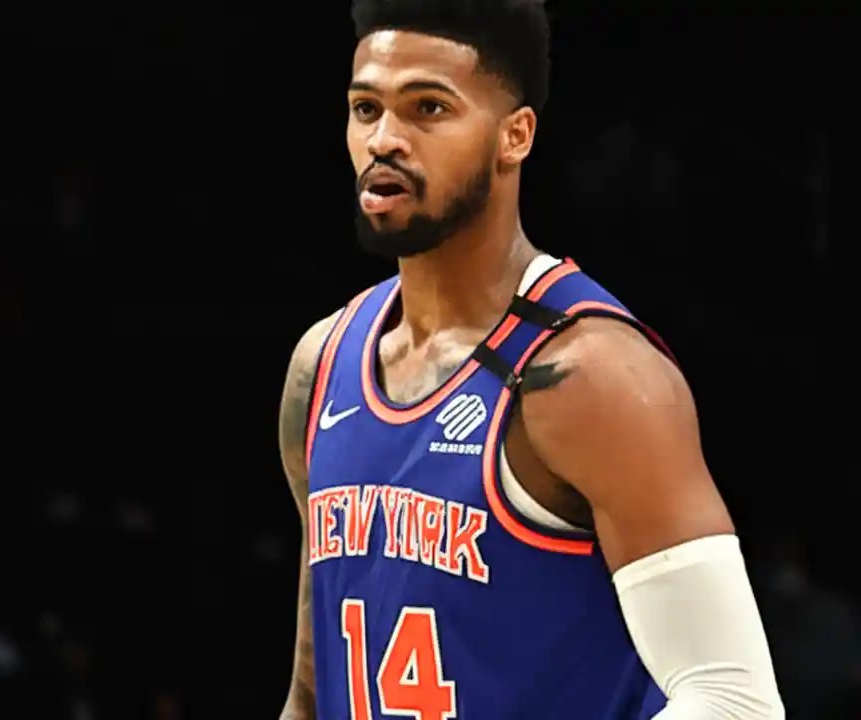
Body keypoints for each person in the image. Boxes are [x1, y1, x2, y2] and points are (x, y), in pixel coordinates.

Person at [276, 1, 784, 717]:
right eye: (366, 109)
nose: (385, 139)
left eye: (428, 108)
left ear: (515, 136)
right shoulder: (323, 364)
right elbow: (312, 692)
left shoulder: (593, 375)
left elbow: (736, 700)